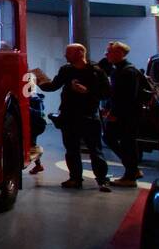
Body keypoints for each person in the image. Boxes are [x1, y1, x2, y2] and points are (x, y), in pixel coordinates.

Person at [34, 43, 112, 191]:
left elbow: (106, 93)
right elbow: (52, 86)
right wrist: (37, 77)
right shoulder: (66, 70)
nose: (65, 55)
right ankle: (75, 178)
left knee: (95, 150)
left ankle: (102, 179)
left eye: (68, 53)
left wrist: (87, 91)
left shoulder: (96, 71)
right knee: (71, 149)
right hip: (69, 115)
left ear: (79, 53)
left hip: (89, 115)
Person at [98, 40, 149, 188]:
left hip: (126, 115)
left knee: (119, 140)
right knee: (124, 142)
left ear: (119, 53)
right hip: (129, 114)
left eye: (109, 51)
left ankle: (131, 174)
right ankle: (132, 170)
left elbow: (126, 97)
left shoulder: (126, 71)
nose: (106, 54)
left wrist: (115, 113)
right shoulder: (124, 69)